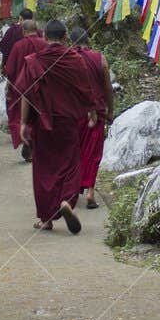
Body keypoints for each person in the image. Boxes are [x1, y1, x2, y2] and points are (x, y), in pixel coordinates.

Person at [17, 19, 102, 232]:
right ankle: (66, 201)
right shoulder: (75, 60)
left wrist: (23, 123)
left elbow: (26, 93)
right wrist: (92, 112)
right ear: (65, 38)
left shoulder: (34, 60)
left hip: (43, 122)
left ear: (44, 37)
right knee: (71, 164)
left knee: (45, 168)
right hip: (68, 121)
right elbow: (85, 89)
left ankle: (46, 219)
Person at [68, 26, 114, 209]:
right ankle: (90, 192)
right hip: (97, 109)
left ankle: (73, 189)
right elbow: (108, 87)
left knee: (75, 151)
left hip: (73, 112)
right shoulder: (100, 58)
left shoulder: (67, 59)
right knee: (93, 153)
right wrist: (111, 111)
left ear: (70, 42)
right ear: (88, 41)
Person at [3, 18, 45, 161]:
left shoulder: (18, 46)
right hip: (41, 87)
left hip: (20, 88)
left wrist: (9, 87)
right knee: (39, 116)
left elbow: (10, 69)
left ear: (23, 31)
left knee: (19, 116)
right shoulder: (45, 45)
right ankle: (36, 145)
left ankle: (25, 140)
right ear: (37, 30)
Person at [0, 9, 33, 151]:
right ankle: (30, 135)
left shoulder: (13, 31)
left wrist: (5, 70)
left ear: (20, 18)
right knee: (32, 107)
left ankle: (19, 135)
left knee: (14, 107)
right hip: (35, 79)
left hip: (16, 77)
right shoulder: (40, 34)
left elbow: (4, 49)